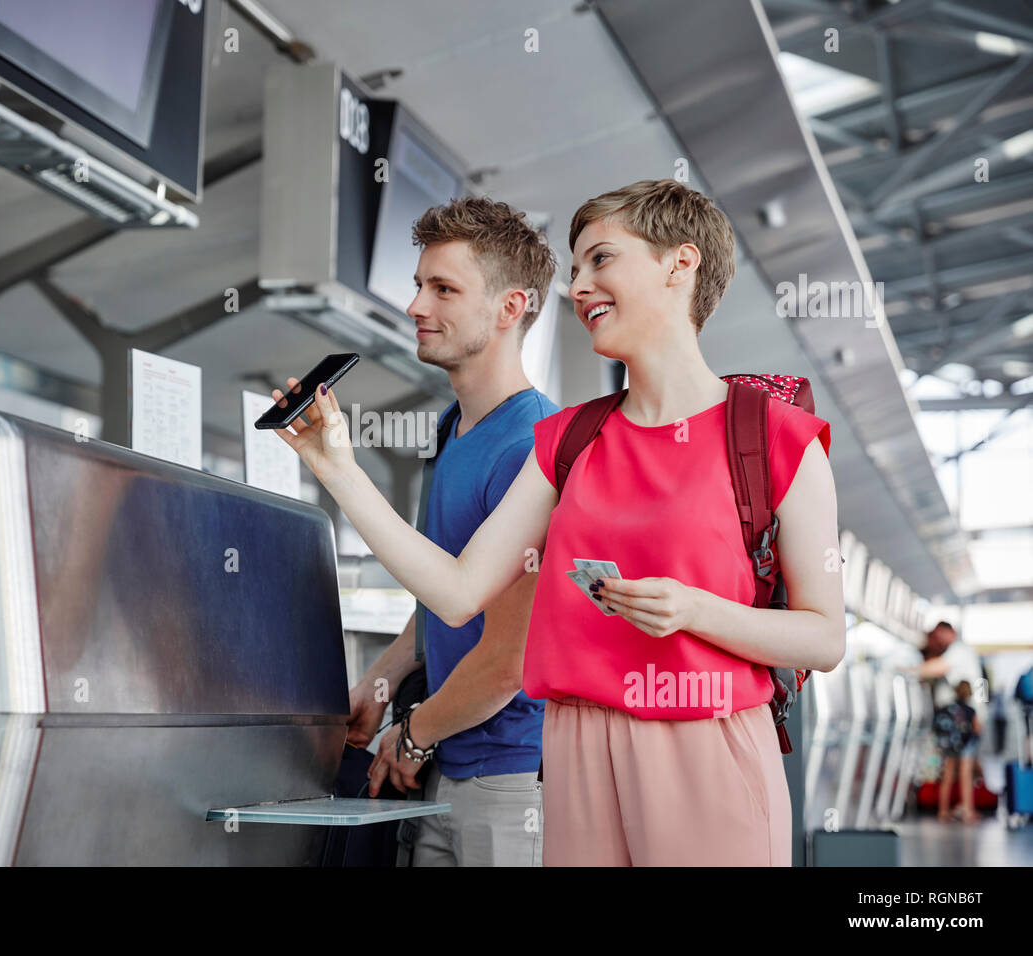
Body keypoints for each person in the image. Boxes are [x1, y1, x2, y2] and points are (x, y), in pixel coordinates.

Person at [272, 178, 844, 866]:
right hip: (573, 755)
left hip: (706, 745)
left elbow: (823, 637)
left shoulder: (777, 437)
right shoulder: (568, 441)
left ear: (680, 264)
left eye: (601, 260)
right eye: (576, 269)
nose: (579, 288)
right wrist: (338, 469)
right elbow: (456, 592)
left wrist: (694, 610)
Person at [341, 197, 559, 866]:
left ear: (509, 307)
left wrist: (412, 735)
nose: (416, 306)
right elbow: (448, 592)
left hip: (508, 779)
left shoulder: (532, 447)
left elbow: (507, 662)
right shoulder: (450, 429)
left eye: (443, 289)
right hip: (447, 765)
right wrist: (381, 680)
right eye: (418, 285)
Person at [933, 680, 982, 824]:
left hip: (950, 745)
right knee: (965, 777)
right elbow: (977, 728)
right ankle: (968, 811)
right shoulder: (970, 710)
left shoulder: (948, 708)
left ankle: (943, 811)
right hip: (967, 745)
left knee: (947, 777)